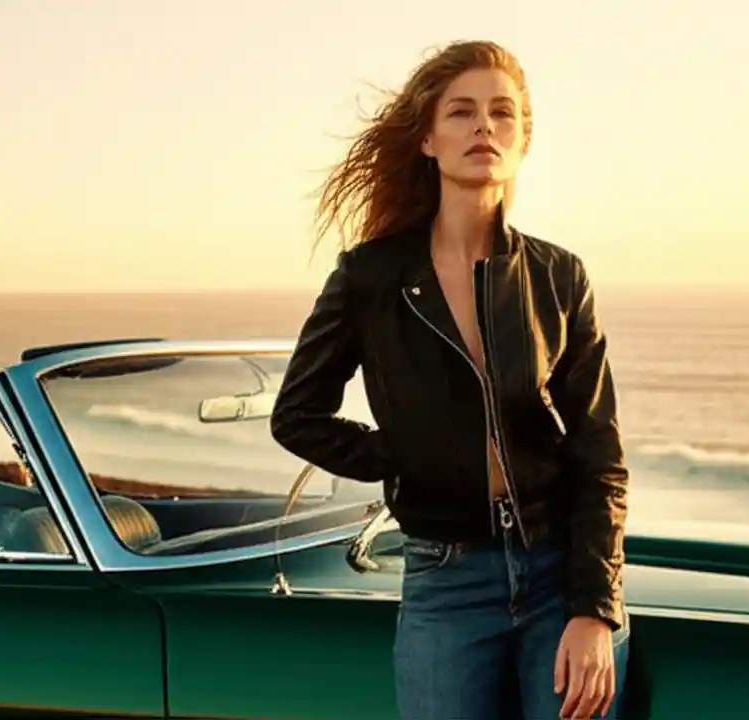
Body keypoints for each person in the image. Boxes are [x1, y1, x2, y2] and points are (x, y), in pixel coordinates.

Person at [270, 40, 631, 720]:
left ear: (523, 139)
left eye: (501, 113)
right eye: (461, 112)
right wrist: (408, 455)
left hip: (560, 574)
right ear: (429, 139)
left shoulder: (558, 278)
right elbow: (297, 415)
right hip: (445, 583)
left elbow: (599, 455)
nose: (483, 127)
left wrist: (595, 609)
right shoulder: (370, 277)